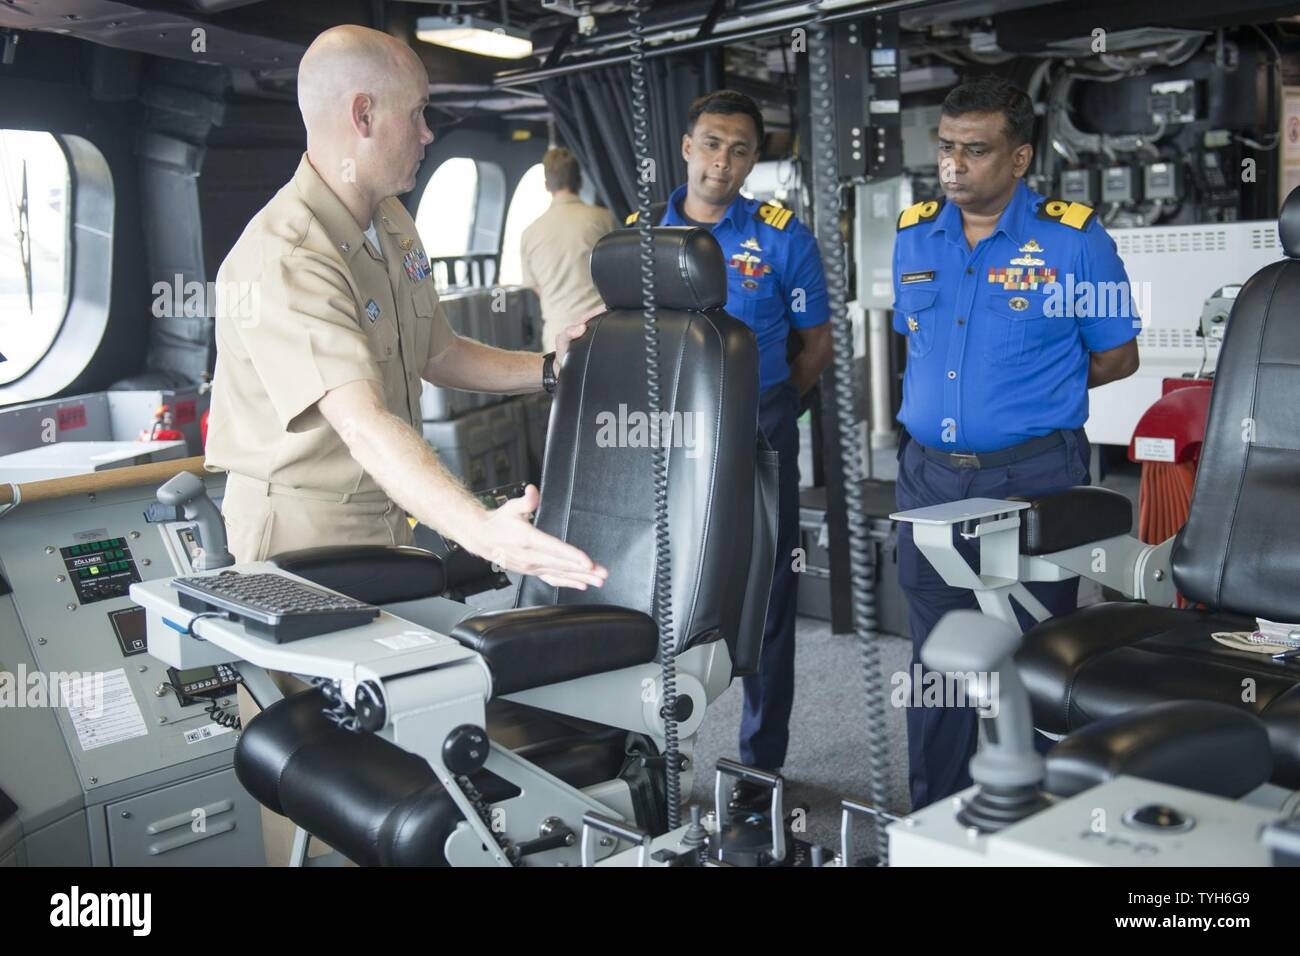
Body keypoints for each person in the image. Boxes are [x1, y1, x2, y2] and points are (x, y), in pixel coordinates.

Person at [205, 24, 607, 863]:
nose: (429, 133)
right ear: (363, 114)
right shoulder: (284, 256)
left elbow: (438, 352)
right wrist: (481, 528)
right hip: (299, 543)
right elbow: (363, 419)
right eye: (419, 115)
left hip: (381, 523)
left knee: (399, 743)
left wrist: (551, 371)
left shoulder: (389, 222)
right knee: (328, 781)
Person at [891, 74, 1140, 811]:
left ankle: (1032, 826)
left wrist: (1036, 391)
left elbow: (1117, 354)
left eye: (975, 150)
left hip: (1033, 478)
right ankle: (935, 820)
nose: (953, 166)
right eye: (945, 148)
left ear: (1021, 158)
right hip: (928, 480)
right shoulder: (914, 236)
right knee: (937, 665)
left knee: (1033, 658)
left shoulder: (1073, 240)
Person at [628, 90, 832, 807]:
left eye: (740, 148)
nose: (723, 160)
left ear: (754, 159)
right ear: (686, 147)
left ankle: (758, 766)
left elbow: (816, 347)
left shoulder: (784, 237)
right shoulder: (640, 236)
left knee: (767, 599)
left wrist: (770, 405)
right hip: (665, 435)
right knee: (655, 596)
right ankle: (645, 754)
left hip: (761, 428)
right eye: (711, 143)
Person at [519, 148, 618, 352]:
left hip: (557, 338)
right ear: (579, 181)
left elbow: (535, 286)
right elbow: (619, 273)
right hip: (601, 329)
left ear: (547, 185)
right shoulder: (604, 219)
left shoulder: (529, 233)